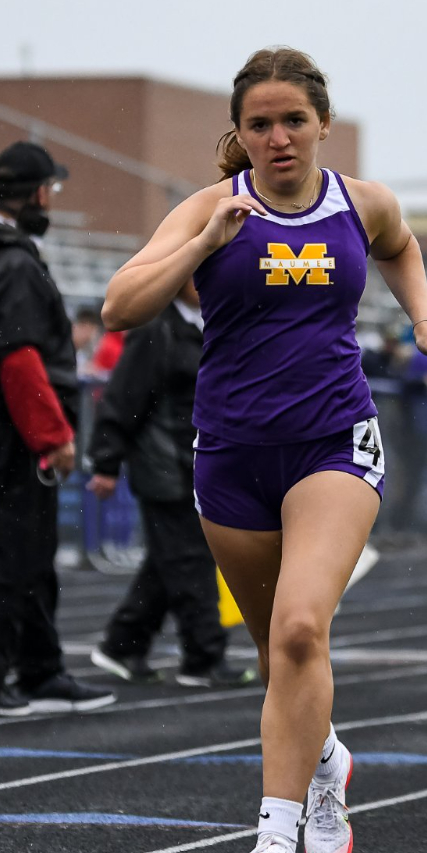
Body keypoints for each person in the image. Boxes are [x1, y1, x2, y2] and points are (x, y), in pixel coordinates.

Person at [102, 47, 427, 853]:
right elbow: (120, 307)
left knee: (303, 628)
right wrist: (201, 241)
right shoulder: (209, 208)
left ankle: (276, 833)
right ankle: (329, 757)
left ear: (323, 125)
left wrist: (425, 322)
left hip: (333, 440)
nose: (279, 138)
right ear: (240, 134)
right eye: (260, 124)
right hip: (231, 451)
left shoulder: (361, 203)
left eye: (293, 121)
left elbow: (401, 246)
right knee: (276, 653)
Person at [0, 140, 115, 716]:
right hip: (6, 430)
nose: (51, 202)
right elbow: (19, 361)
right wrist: (54, 435)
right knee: (6, 556)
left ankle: (41, 670)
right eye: (49, 192)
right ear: (36, 194)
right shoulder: (12, 262)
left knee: (29, 552)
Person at [87, 278, 256, 688]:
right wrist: (106, 462)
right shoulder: (154, 330)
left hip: (198, 463)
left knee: (168, 562)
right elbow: (122, 399)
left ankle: (123, 644)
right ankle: (203, 658)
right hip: (165, 467)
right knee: (190, 559)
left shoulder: (213, 323)